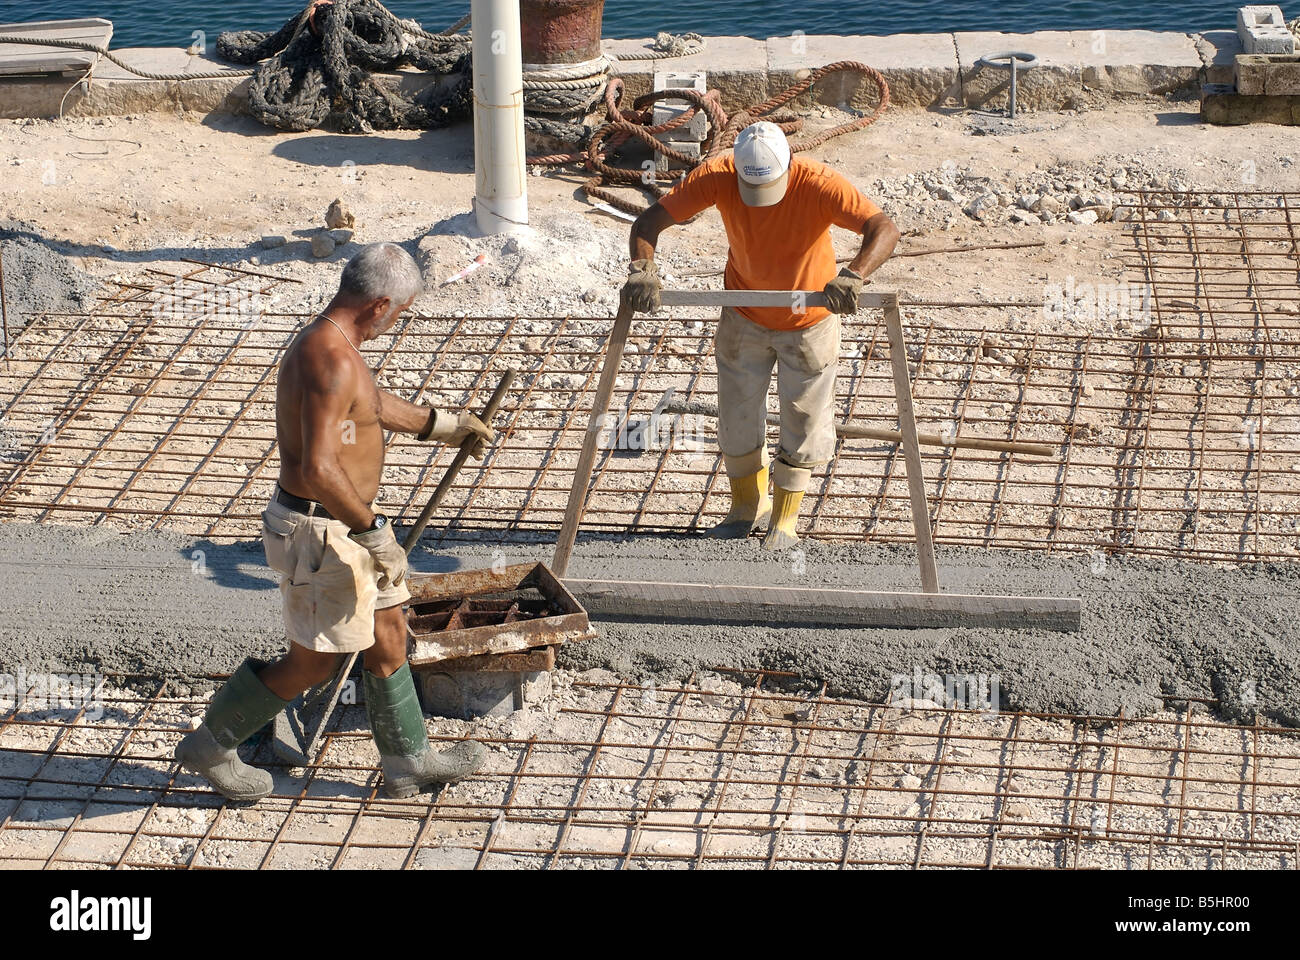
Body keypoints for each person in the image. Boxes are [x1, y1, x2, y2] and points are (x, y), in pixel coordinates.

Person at [176, 243, 494, 801]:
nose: (397, 322)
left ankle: (407, 763)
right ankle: (210, 745)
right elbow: (317, 467)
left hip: (346, 529)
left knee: (390, 634)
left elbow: (367, 404)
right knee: (315, 662)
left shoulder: (336, 341)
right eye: (399, 312)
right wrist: (372, 528)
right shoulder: (331, 357)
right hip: (323, 533)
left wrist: (445, 424)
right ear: (378, 304)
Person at [624, 121, 899, 550]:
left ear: (789, 167)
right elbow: (647, 224)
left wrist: (854, 274)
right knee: (736, 416)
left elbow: (884, 227)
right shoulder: (718, 176)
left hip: (808, 321)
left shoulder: (819, 183)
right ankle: (747, 509)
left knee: (804, 419)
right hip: (744, 313)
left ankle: (785, 520)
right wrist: (643, 267)